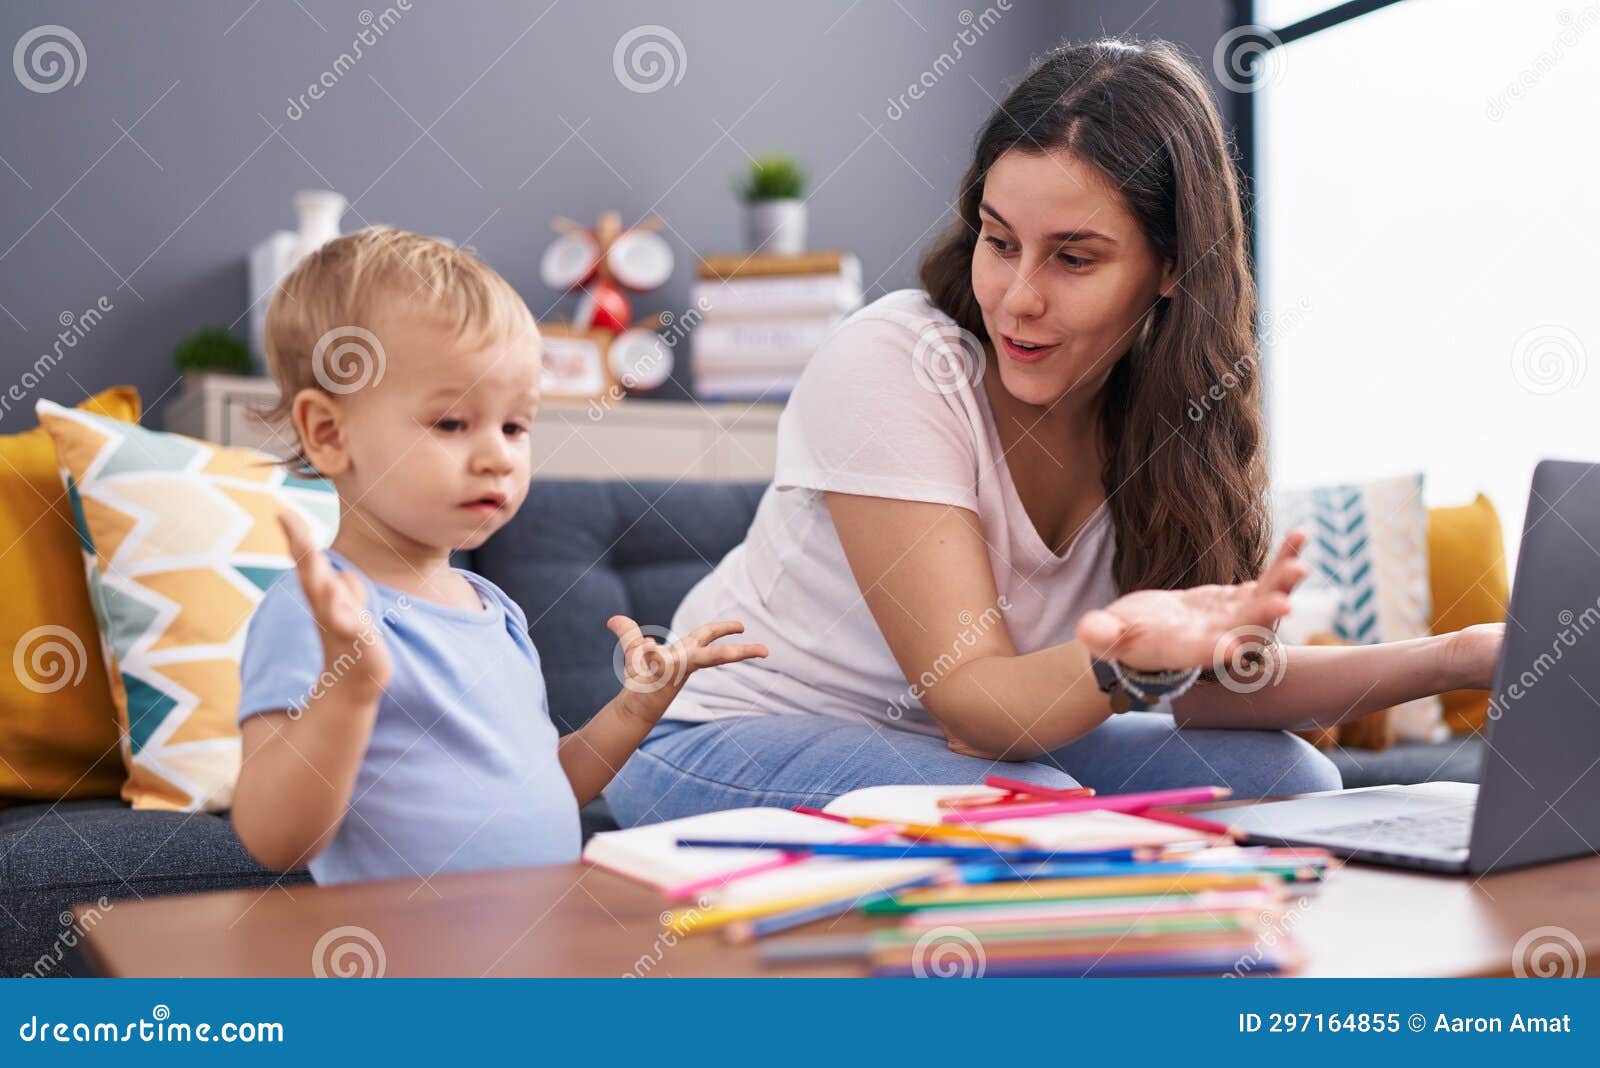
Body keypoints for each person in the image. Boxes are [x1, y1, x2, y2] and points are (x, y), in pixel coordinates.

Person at [603, 38, 1503, 828]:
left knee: (1293, 779)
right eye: (1000, 242)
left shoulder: (1171, 415)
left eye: (1073, 258)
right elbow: (972, 704)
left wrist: (1460, 657)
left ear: (1172, 268)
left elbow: (1220, 692)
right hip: (726, 735)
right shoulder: (893, 363)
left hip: (950, 753)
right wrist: (1124, 668)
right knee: (1045, 820)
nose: (1019, 298)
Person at [229, 227, 766, 884]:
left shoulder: (496, 612)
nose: (498, 457)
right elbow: (272, 838)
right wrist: (349, 693)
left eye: (515, 425)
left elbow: (549, 787)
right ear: (330, 433)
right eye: (452, 422)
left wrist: (636, 709)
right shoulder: (315, 614)